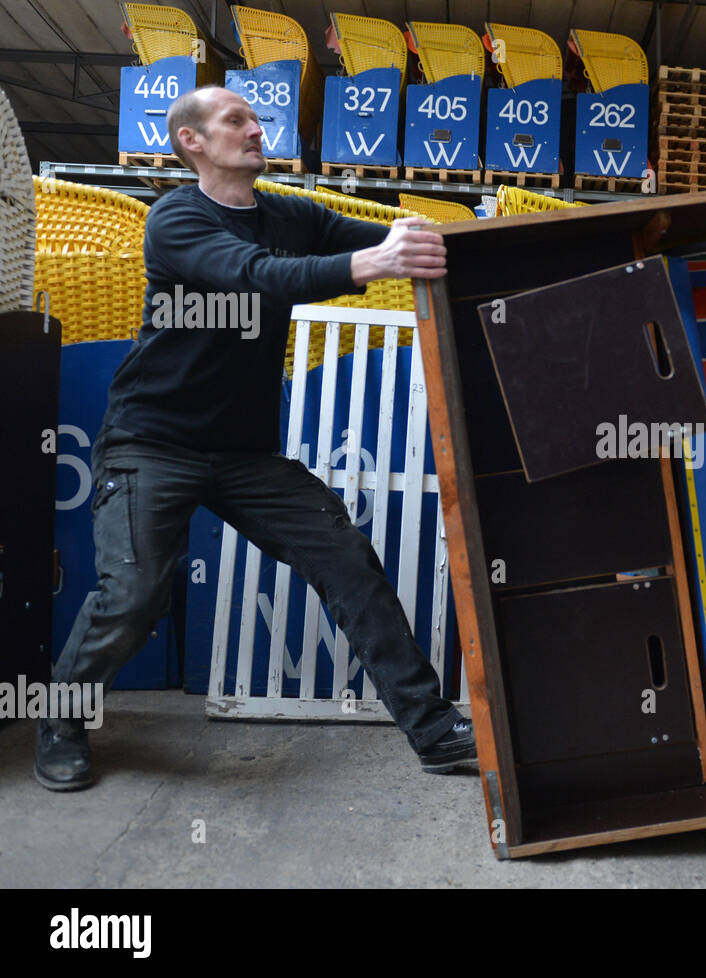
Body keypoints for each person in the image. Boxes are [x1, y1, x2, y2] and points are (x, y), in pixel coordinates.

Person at [35, 85, 474, 790]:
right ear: (193, 142)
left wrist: (433, 235)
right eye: (235, 119)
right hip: (153, 442)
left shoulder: (290, 215)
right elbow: (255, 277)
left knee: (344, 557)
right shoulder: (176, 221)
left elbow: (377, 238)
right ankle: (61, 718)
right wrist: (373, 265)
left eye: (255, 118)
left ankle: (433, 731)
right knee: (133, 594)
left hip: (242, 454)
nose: (254, 128)